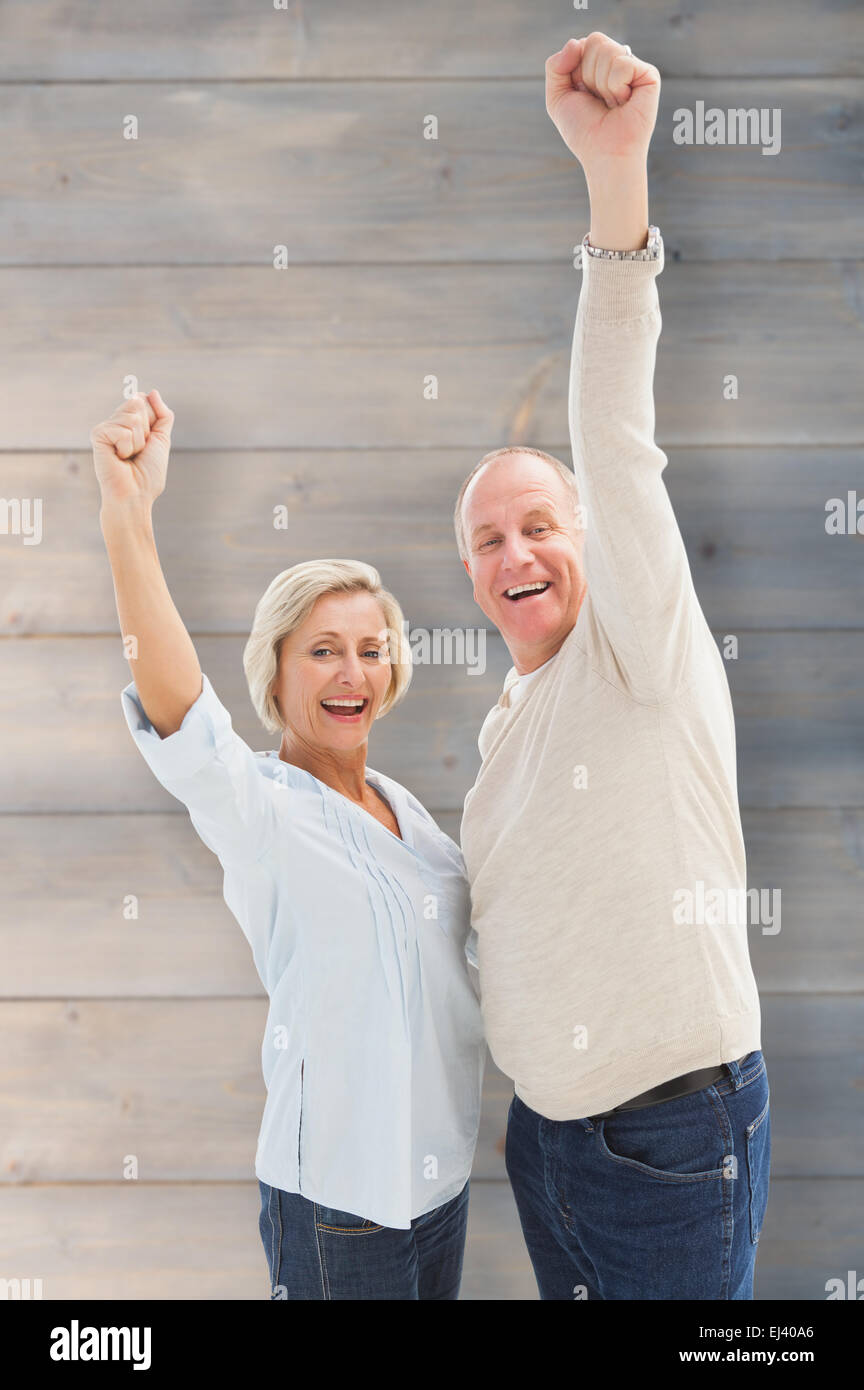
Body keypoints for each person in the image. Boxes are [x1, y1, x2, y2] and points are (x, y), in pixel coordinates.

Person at [454, 32, 770, 1300]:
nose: (514, 551)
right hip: (553, 1148)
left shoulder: (642, 642)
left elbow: (614, 432)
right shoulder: (507, 725)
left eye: (539, 523)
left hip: (669, 1142)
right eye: (485, 540)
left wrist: (614, 186)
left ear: (593, 541)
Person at [92, 393, 485, 1300]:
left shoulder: (412, 817)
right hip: (339, 1206)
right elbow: (180, 707)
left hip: (441, 1188)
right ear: (274, 669)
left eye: (372, 649)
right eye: (322, 651)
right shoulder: (260, 807)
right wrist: (128, 513)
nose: (353, 672)